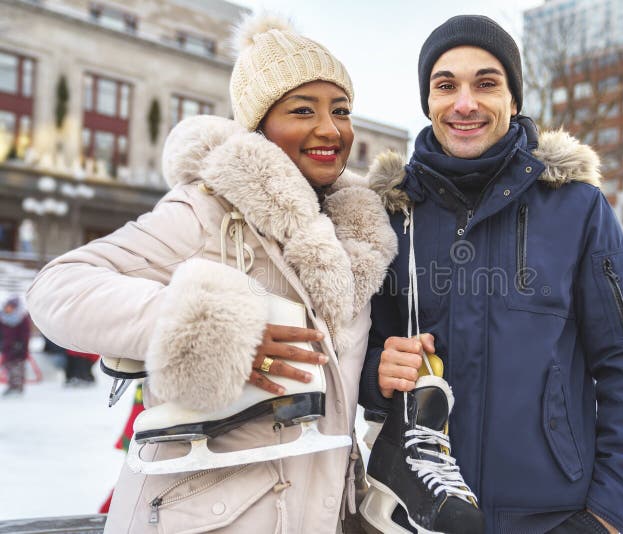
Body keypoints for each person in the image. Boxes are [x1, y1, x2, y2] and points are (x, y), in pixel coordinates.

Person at [26, 14, 396, 533]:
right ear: (260, 125)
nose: (330, 129)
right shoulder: (205, 211)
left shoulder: (351, 240)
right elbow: (58, 288)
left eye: (341, 110)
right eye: (302, 110)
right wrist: (217, 335)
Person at [359, 14, 623, 534]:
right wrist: (376, 373)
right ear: (428, 101)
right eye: (446, 85)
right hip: (418, 516)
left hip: (554, 517)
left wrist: (607, 517)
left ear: (514, 99)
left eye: (486, 83)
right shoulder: (391, 215)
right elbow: (350, 352)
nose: (465, 103)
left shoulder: (578, 209)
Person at [1, 296, 31, 397]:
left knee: (17, 368)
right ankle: (11, 386)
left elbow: (25, 334)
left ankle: (17, 388)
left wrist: (21, 345)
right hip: (7, 347)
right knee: (9, 367)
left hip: (19, 348)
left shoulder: (21, 318)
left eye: (10, 307)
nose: (7, 309)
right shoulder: (3, 318)